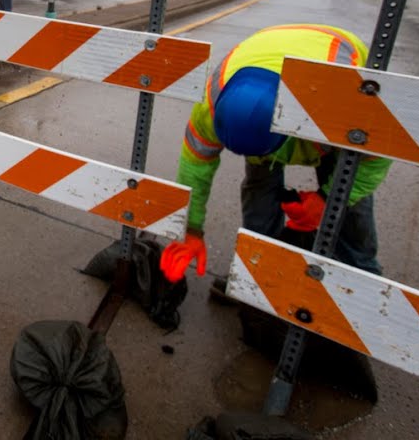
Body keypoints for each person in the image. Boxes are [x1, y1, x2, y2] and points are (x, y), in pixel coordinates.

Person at [160, 23, 393, 287]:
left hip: (328, 75)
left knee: (350, 205)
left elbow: (374, 160)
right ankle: (258, 274)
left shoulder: (340, 100)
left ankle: (362, 285)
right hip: (267, 63)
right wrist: (191, 230)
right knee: (259, 185)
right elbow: (194, 171)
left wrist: (327, 199)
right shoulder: (210, 108)